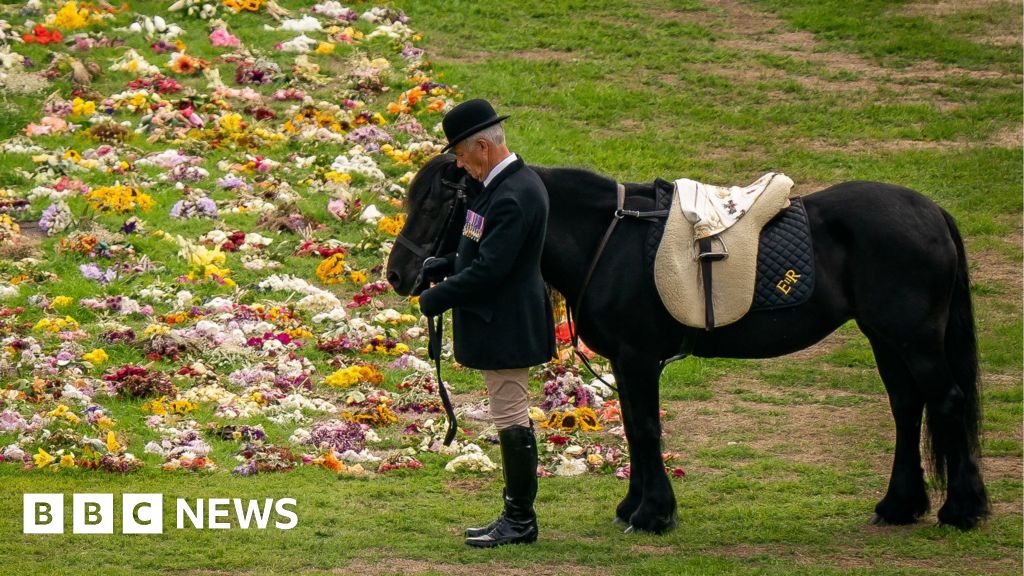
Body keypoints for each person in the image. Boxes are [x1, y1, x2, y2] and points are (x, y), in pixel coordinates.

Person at [416, 98, 555, 548]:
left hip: (509, 321)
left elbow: (492, 269)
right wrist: (445, 263)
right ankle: (516, 515)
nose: (460, 164)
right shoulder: (498, 188)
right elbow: (477, 246)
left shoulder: (515, 194)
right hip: (501, 317)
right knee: (505, 412)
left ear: (481, 146)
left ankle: (520, 519)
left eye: (459, 155)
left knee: (511, 415)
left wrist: (437, 298)